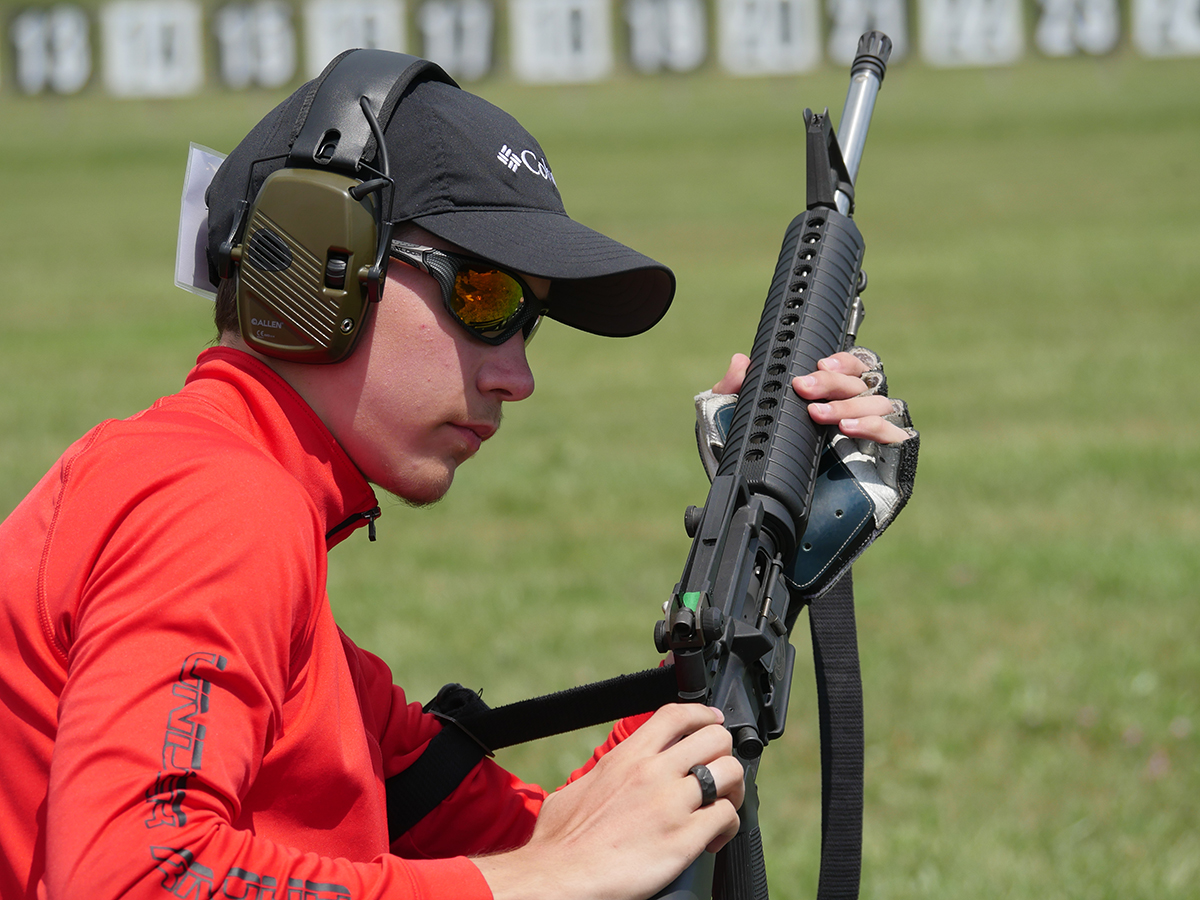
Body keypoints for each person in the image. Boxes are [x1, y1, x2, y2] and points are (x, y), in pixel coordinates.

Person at [0, 50, 913, 900]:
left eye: (531, 324)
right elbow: (134, 877)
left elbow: (555, 841)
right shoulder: (219, 502)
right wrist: (532, 882)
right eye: (484, 296)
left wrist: (755, 546)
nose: (516, 375)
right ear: (326, 257)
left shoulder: (261, 543)